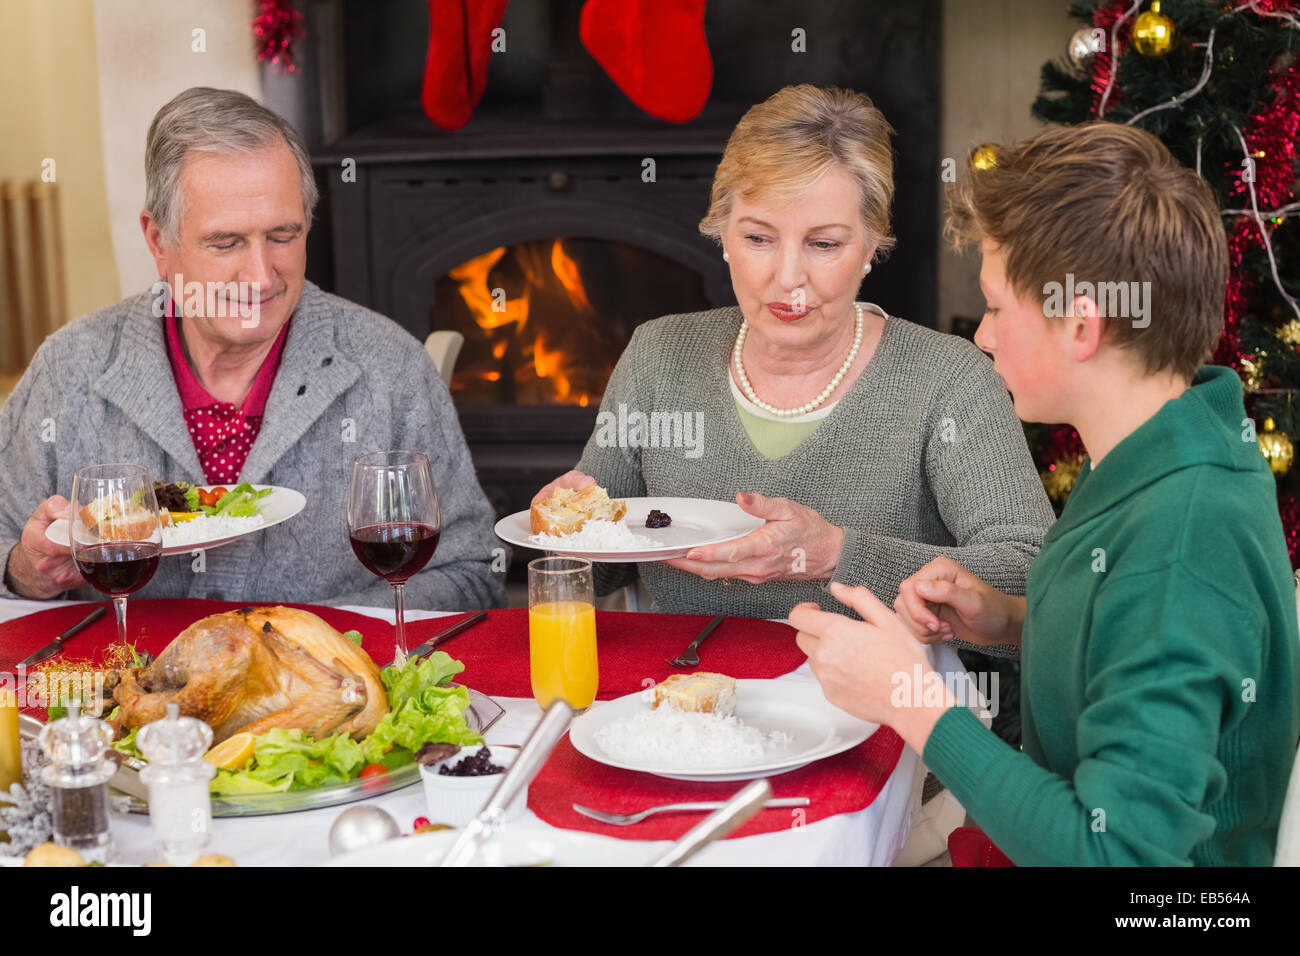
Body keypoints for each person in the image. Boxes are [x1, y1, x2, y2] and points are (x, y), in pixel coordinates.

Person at [791, 121, 1300, 865]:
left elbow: (1117, 855)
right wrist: (1011, 621)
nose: (984, 337)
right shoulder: (1162, 445)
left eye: (997, 306)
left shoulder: (1183, 543)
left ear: (1081, 326)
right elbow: (1132, 642)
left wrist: (912, 702)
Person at [536, 85, 1054, 645]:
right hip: (678, 706)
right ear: (723, 235)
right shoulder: (657, 355)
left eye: (824, 244)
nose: (787, 278)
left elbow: (1033, 577)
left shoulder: (948, 379)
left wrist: (838, 555)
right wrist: (567, 530)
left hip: (879, 708)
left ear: (872, 244)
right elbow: (600, 570)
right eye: (758, 237)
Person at [0, 87, 505, 610]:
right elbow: (4, 549)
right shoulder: (70, 367)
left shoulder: (390, 367)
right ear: (157, 242)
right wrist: (26, 572)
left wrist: (318, 643)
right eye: (226, 243)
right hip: (122, 686)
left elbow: (471, 573)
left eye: (283, 236)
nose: (262, 277)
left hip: (325, 687)